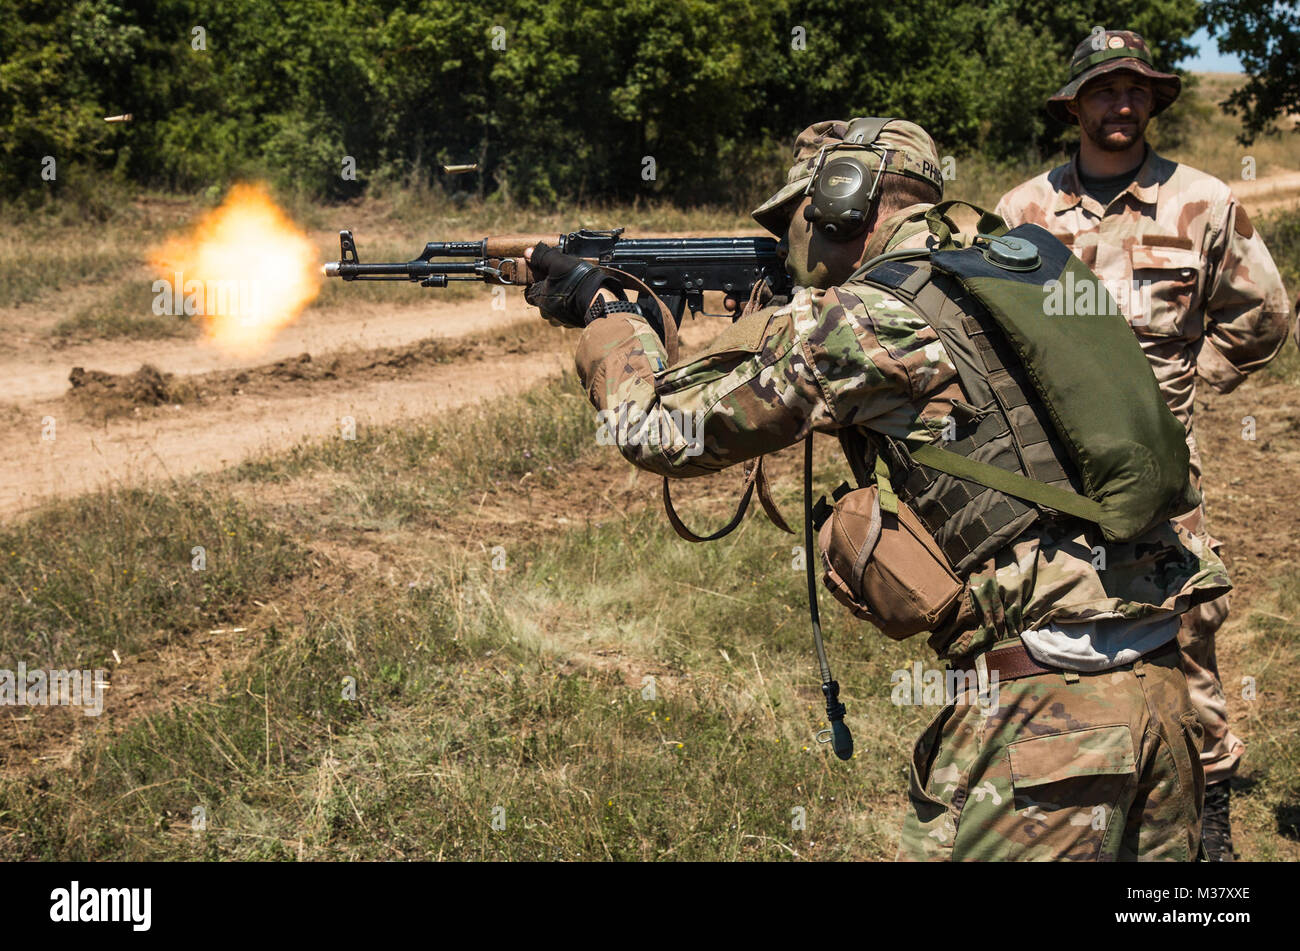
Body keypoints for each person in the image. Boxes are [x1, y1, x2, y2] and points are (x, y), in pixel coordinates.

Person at [521, 116, 1231, 861]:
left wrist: (614, 322)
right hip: (1158, 686)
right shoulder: (1017, 273)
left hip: (1048, 720)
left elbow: (658, 431)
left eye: (794, 217)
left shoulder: (870, 319)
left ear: (842, 200)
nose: (791, 242)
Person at [995, 29, 1291, 861]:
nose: (1120, 105)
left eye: (1135, 91)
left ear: (1153, 101)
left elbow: (1262, 313)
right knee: (1048, 627)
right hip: (1045, 472)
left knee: (1184, 630)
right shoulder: (1022, 212)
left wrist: (1190, 390)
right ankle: (1069, 794)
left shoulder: (1202, 200)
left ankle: (1209, 814)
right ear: (1075, 105)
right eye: (1102, 91)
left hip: (1164, 473)